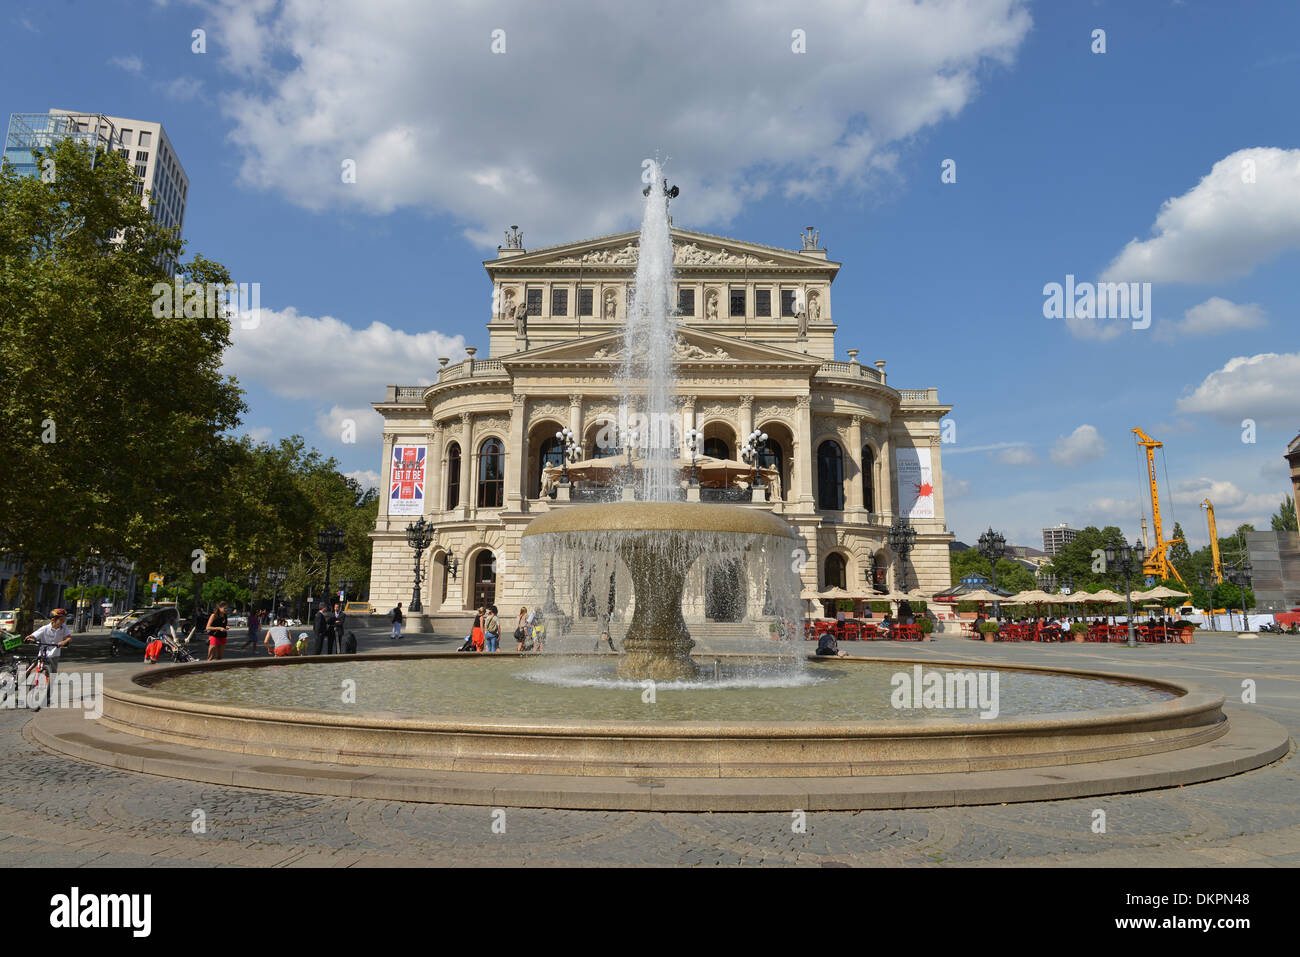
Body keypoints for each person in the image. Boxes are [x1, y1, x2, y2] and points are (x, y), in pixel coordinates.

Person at [25, 609, 72, 702]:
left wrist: (64, 642)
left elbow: (69, 638)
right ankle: (34, 682)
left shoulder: (64, 627)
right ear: (53, 620)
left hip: (55, 654)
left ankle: (48, 695)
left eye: (64, 620)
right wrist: (30, 638)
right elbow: (34, 635)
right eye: (61, 620)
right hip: (43, 653)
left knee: (52, 675)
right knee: (38, 669)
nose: (62, 622)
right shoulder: (45, 628)